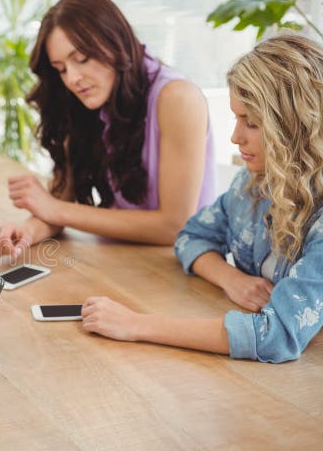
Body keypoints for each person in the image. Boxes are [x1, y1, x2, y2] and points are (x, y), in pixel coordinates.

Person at [81, 33, 323, 363]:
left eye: (250, 122)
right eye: (237, 118)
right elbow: (191, 236)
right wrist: (231, 279)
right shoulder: (251, 185)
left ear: (295, 126)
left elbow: (275, 335)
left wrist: (138, 325)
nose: (235, 137)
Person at [0, 0, 215, 259]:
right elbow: (59, 203)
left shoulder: (178, 99)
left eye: (81, 59)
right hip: (117, 262)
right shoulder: (87, 101)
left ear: (114, 41)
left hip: (179, 270)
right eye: (61, 69)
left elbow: (175, 225)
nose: (72, 78)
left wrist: (54, 209)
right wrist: (27, 231)